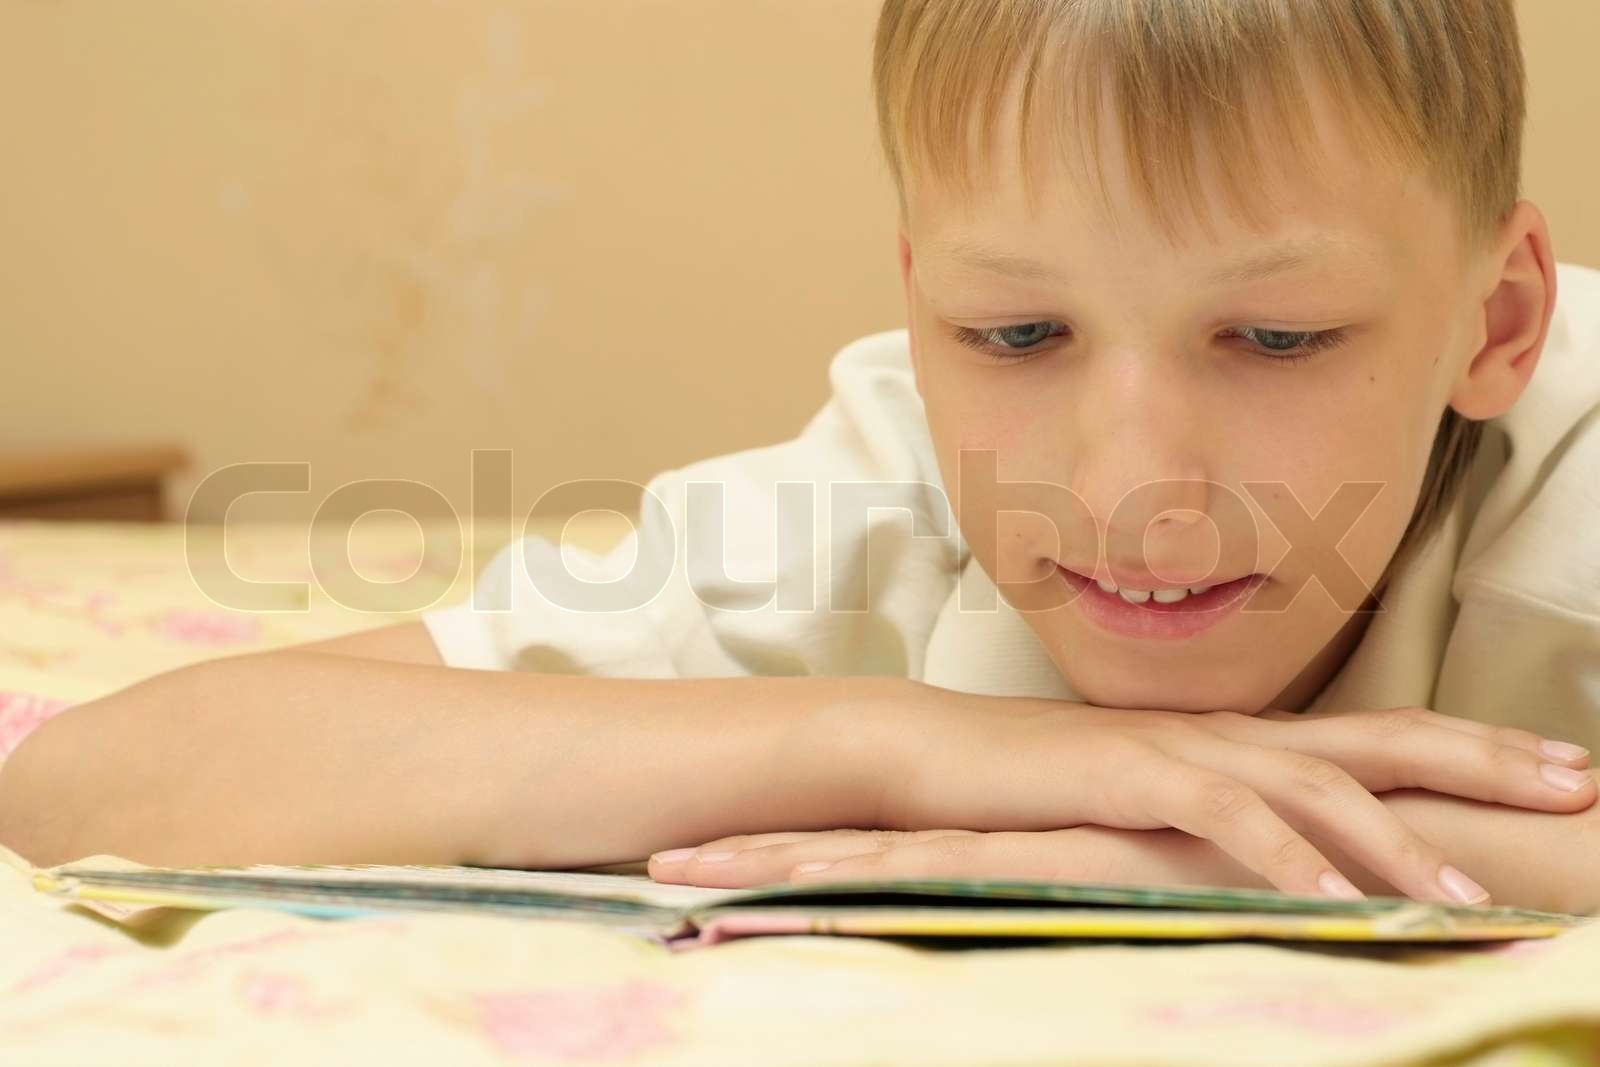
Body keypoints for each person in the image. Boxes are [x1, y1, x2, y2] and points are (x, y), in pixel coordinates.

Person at [2, 0, 1597, 913]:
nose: (1126, 490)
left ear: (1498, 318)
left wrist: (1104, 842)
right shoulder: (872, 505)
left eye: (1277, 340)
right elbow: (83, 783)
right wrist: (896, 742)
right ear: (918, 310)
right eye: (1017, 338)